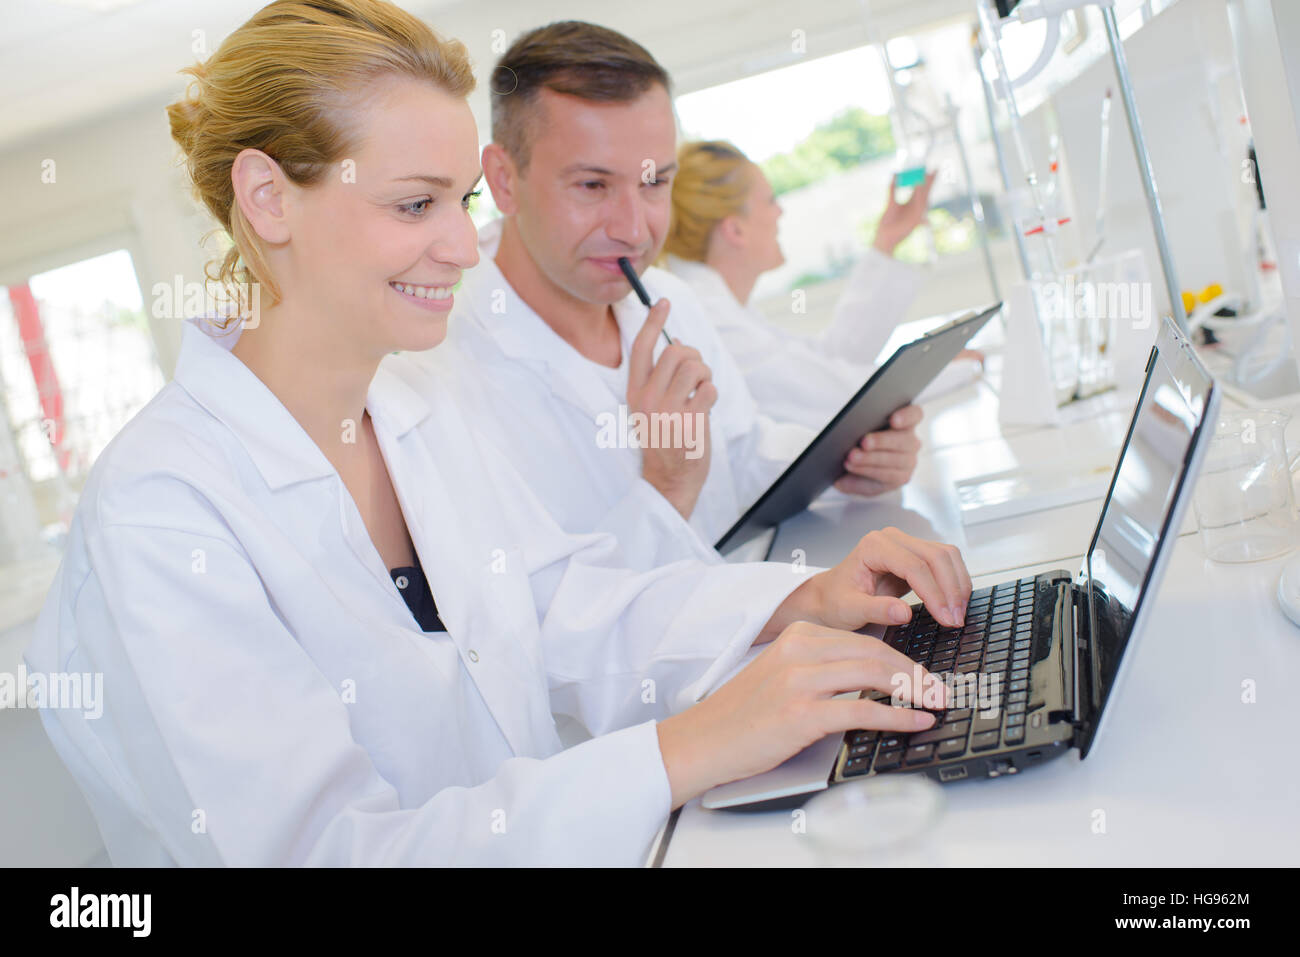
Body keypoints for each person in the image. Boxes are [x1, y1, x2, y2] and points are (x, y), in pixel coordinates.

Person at [23, 0, 970, 867]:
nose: (458, 244)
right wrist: (687, 748)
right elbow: (318, 854)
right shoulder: (161, 510)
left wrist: (801, 599)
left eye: (458, 203)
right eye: (413, 204)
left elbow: (557, 607)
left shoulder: (408, 403)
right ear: (269, 200)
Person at [430, 20, 929, 552]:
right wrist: (667, 485)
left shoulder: (672, 302)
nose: (633, 228)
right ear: (505, 181)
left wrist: (845, 464)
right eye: (593, 185)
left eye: (653, 183)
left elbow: (743, 452)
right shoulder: (446, 373)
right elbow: (545, 617)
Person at [664, 140, 983, 432]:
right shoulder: (709, 319)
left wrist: (886, 240)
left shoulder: (726, 309)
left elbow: (831, 359)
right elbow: (835, 399)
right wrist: (938, 367)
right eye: (770, 200)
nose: (780, 211)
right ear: (735, 229)